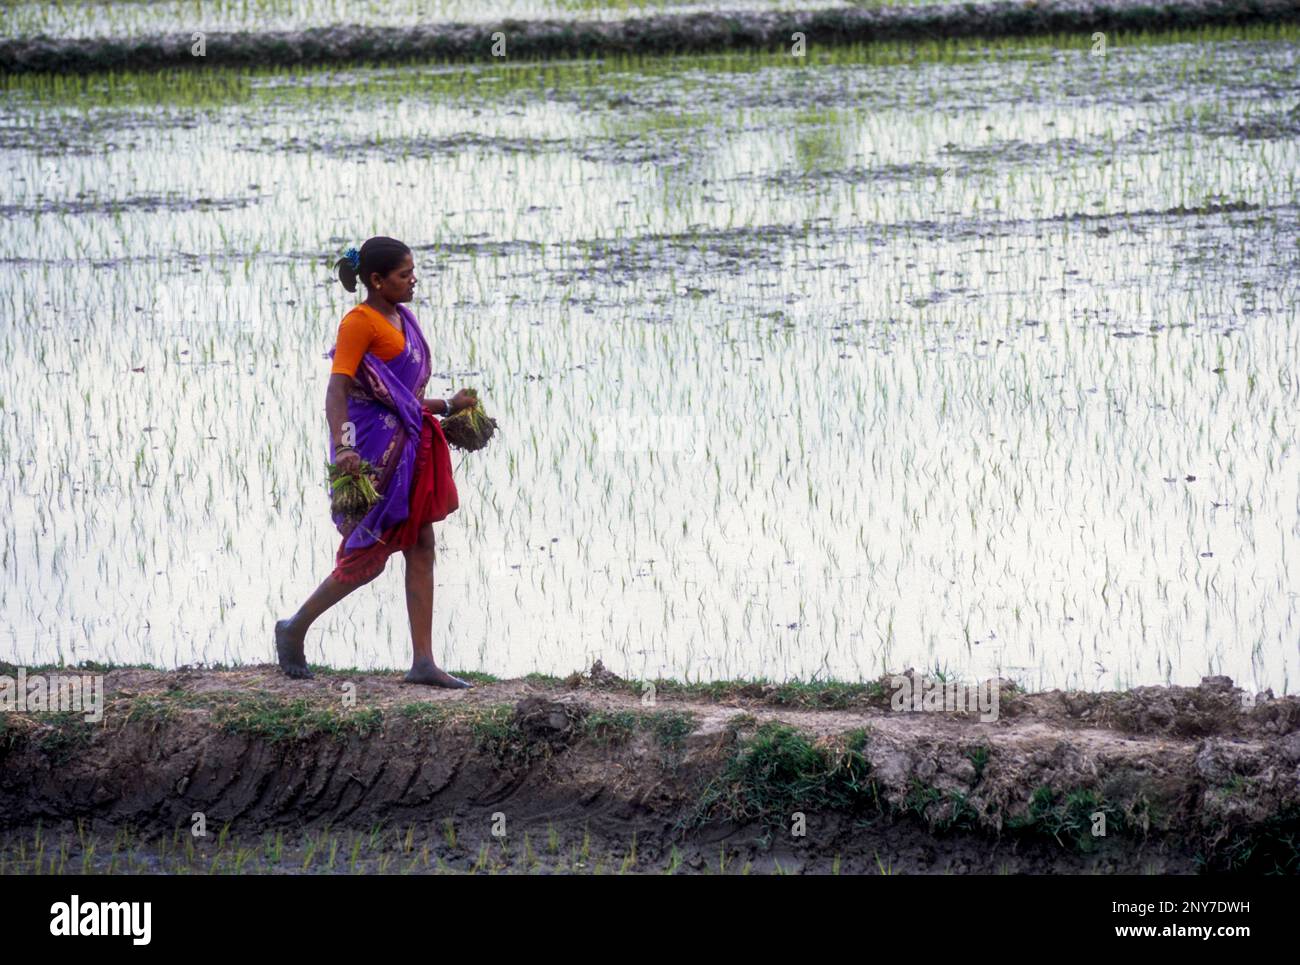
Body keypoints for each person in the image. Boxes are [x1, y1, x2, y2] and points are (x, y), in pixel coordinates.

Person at [275, 236, 476, 687]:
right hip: (371, 452)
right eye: (404, 275)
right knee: (367, 555)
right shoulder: (358, 323)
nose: (413, 280)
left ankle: (423, 661)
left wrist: (449, 405)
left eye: (412, 272)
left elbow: (406, 399)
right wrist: (344, 446)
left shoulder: (403, 318)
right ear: (376, 281)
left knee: (422, 544)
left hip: (408, 445)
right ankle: (294, 627)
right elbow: (338, 390)